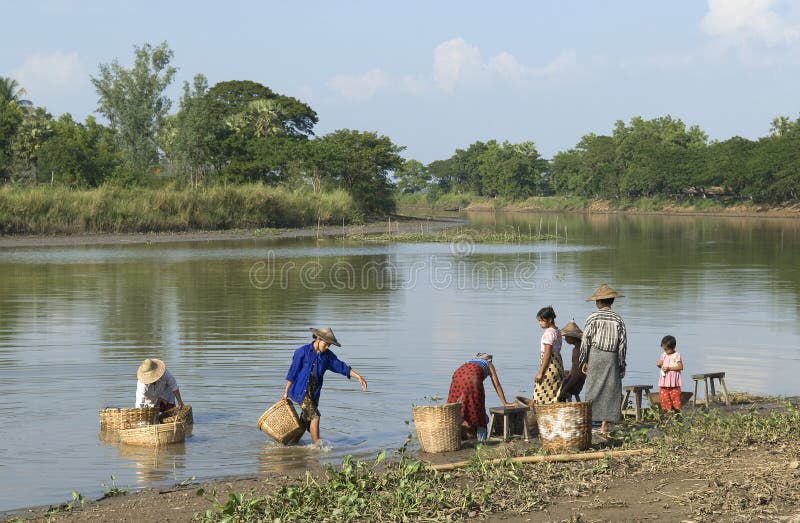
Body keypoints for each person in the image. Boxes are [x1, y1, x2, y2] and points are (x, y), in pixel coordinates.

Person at [282, 327, 367, 445]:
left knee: (304, 422)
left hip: (314, 394)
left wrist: (358, 377)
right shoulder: (302, 352)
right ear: (318, 339)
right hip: (301, 392)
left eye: (329, 345)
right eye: (326, 344)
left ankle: (290, 445)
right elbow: (293, 372)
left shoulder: (327, 356)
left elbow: (341, 367)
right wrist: (286, 392)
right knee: (315, 416)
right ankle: (317, 448)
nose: (327, 347)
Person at [579, 284, 627, 434]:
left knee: (592, 388)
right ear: (611, 301)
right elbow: (622, 345)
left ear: (598, 302)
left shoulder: (592, 317)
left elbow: (585, 340)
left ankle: (588, 422)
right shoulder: (618, 319)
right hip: (611, 356)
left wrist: (584, 360)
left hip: (595, 355)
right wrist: (621, 365)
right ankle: (604, 425)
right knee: (610, 389)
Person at [447, 352, 515, 440]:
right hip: (473, 378)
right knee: (478, 409)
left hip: (457, 376)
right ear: (489, 360)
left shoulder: (469, 362)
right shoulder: (489, 364)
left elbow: (465, 377)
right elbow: (497, 384)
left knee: (454, 407)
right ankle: (481, 438)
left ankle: (451, 434)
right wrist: (505, 402)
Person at [533, 306, 564, 404]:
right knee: (554, 394)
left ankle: (543, 417)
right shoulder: (557, 331)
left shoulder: (548, 333)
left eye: (541, 321)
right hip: (557, 365)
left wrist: (540, 372)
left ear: (549, 320)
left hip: (549, 367)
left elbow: (547, 353)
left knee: (540, 394)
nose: (540, 323)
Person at [558, 320, 586, 402]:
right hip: (579, 382)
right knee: (563, 374)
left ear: (572, 337)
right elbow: (576, 368)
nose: (565, 339)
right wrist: (569, 373)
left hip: (575, 385)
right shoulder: (581, 348)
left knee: (555, 385)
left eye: (566, 337)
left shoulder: (577, 350)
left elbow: (576, 375)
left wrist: (563, 390)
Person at [656, 335, 684, 412]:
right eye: (664, 349)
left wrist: (669, 368)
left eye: (667, 349)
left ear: (673, 347)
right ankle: (667, 412)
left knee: (675, 398)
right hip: (664, 382)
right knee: (664, 398)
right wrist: (659, 365)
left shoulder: (676, 355)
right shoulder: (663, 355)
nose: (665, 351)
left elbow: (680, 367)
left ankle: (676, 412)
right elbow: (662, 366)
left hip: (674, 383)